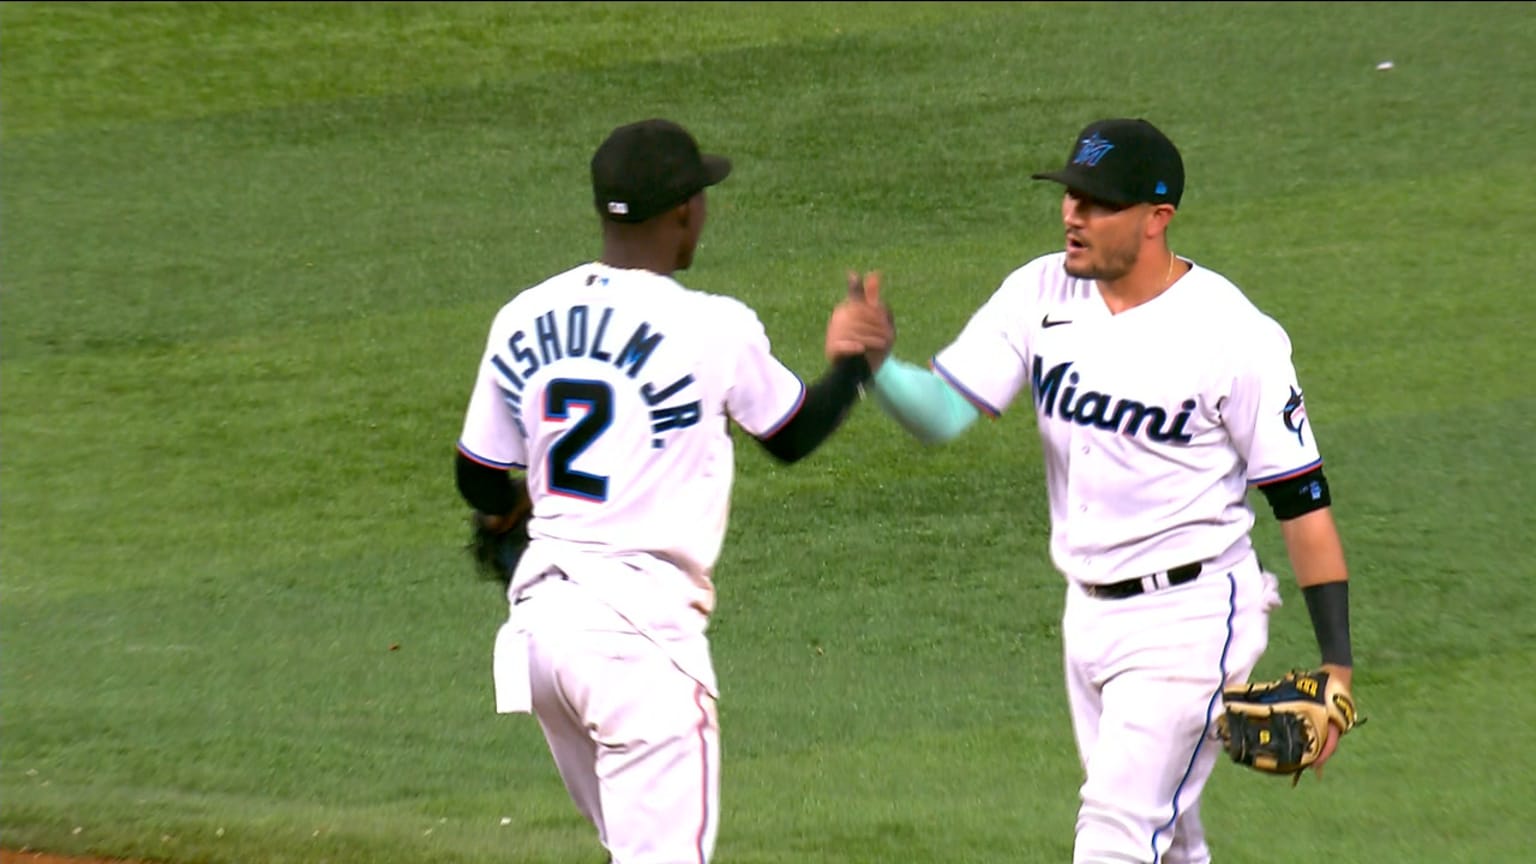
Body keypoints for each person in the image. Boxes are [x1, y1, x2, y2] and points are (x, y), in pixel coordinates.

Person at [854, 118, 1357, 863]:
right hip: (1086, 618)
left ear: (1158, 219)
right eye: (1071, 197)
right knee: (1168, 840)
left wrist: (1337, 669)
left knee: (1115, 838)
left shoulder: (1235, 337)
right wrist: (877, 367)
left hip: (1189, 621)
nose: (1072, 215)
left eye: (1097, 204)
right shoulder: (1040, 292)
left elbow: (1301, 504)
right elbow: (943, 413)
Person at [452, 118, 894, 864]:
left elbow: (476, 475)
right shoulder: (710, 325)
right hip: (638, 648)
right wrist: (854, 363)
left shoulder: (523, 314)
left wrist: (515, 514)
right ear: (687, 212)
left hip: (542, 639)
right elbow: (789, 434)